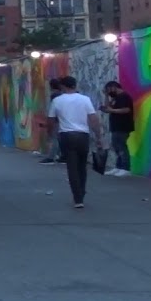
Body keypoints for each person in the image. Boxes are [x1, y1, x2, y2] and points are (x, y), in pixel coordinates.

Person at [48, 75, 104, 209]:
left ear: (62, 86)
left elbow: (50, 120)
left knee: (71, 167)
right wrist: (98, 137)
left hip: (66, 135)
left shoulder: (57, 101)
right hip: (83, 135)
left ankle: (77, 198)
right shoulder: (85, 99)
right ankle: (82, 193)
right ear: (74, 85)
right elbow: (93, 119)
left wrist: (50, 135)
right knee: (82, 166)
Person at [101, 81, 134, 177]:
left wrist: (112, 110)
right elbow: (108, 107)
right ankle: (118, 166)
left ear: (114, 87)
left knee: (121, 146)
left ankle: (125, 168)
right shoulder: (115, 97)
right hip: (115, 126)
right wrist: (106, 96)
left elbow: (127, 109)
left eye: (108, 90)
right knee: (116, 146)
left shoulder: (124, 96)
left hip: (123, 126)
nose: (109, 92)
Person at [40, 78, 63, 165]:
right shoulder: (61, 94)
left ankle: (51, 157)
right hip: (62, 119)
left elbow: (53, 109)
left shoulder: (54, 95)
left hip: (56, 119)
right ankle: (61, 156)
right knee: (59, 138)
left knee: (54, 138)